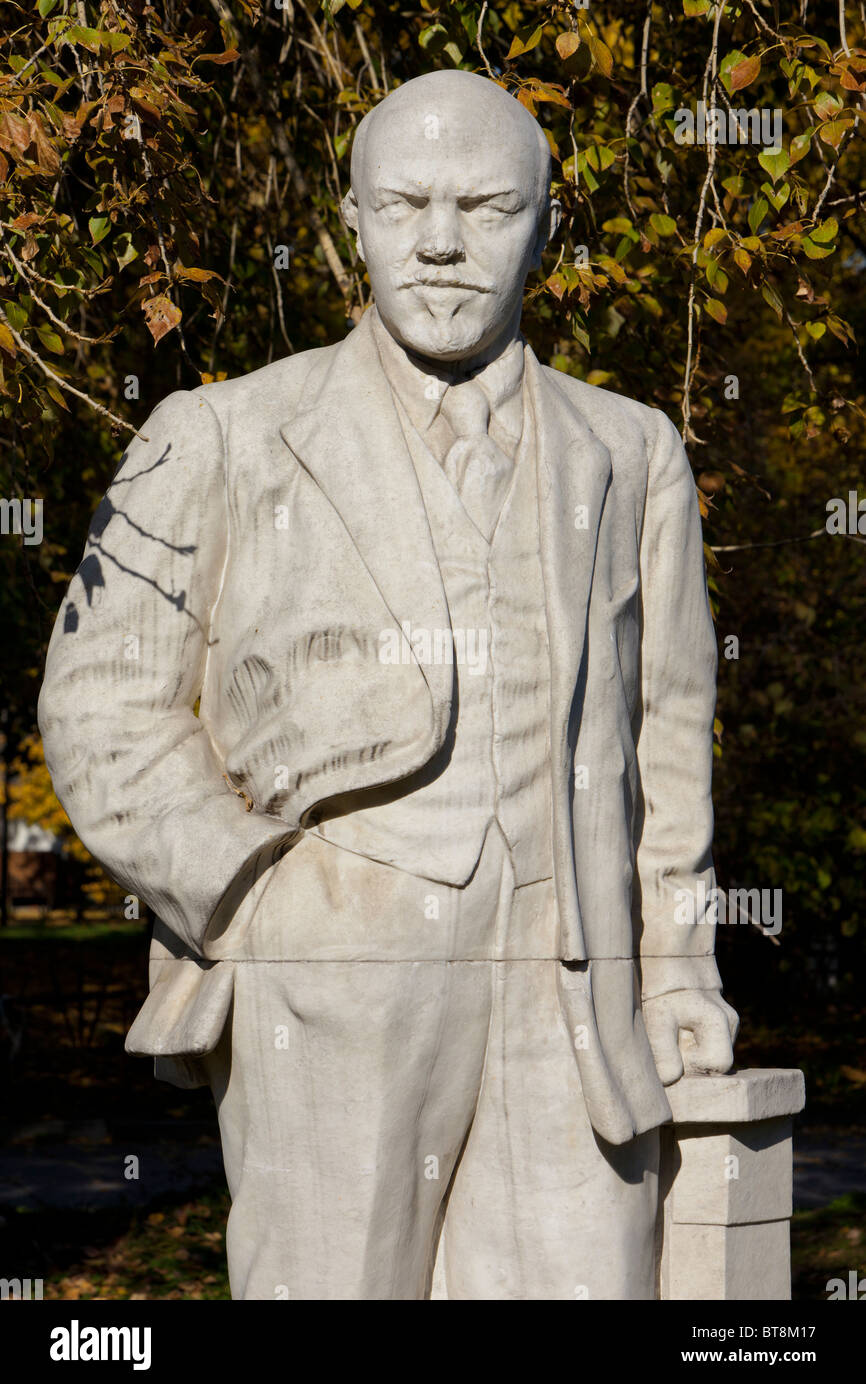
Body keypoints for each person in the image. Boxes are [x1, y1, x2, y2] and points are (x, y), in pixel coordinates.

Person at [39, 70, 738, 1300]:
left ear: (546, 227)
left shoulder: (630, 452)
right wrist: (258, 897)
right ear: (350, 215)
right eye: (404, 201)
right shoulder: (220, 433)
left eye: (485, 205)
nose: (440, 243)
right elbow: (100, 701)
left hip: (570, 981)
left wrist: (678, 964)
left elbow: (665, 727)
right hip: (329, 975)